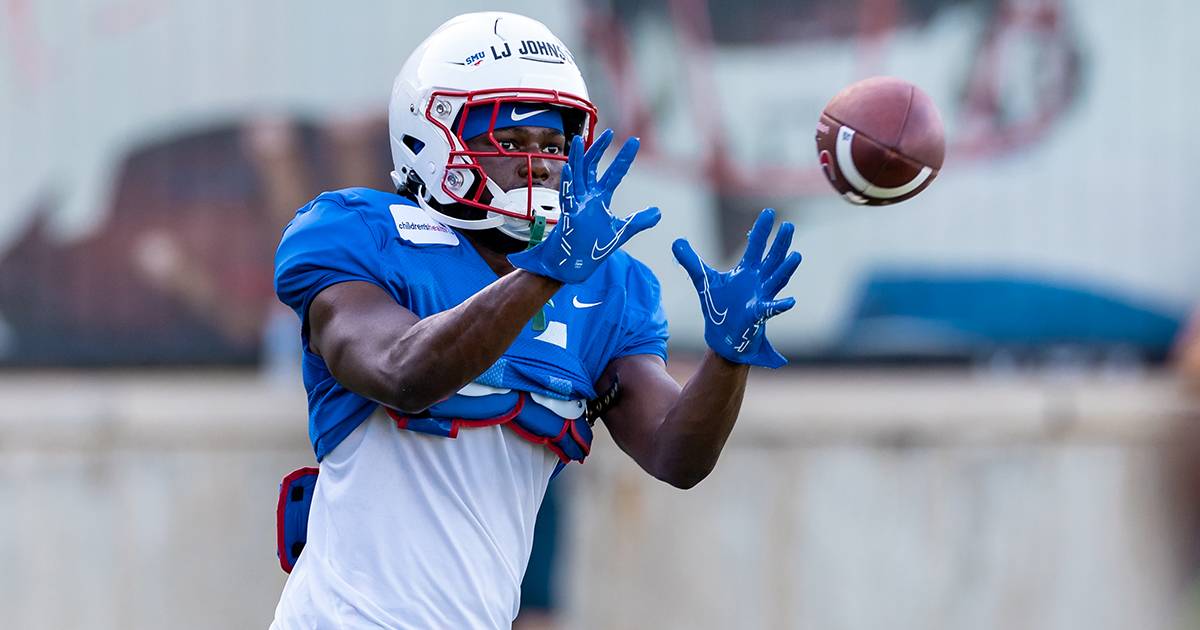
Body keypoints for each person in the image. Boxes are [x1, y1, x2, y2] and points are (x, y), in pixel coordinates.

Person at [269, 12, 801, 630]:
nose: (540, 164)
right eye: (512, 140)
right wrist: (546, 272)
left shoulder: (606, 287)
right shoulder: (361, 235)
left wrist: (727, 360)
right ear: (430, 137)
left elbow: (674, 454)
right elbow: (401, 372)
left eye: (552, 146)